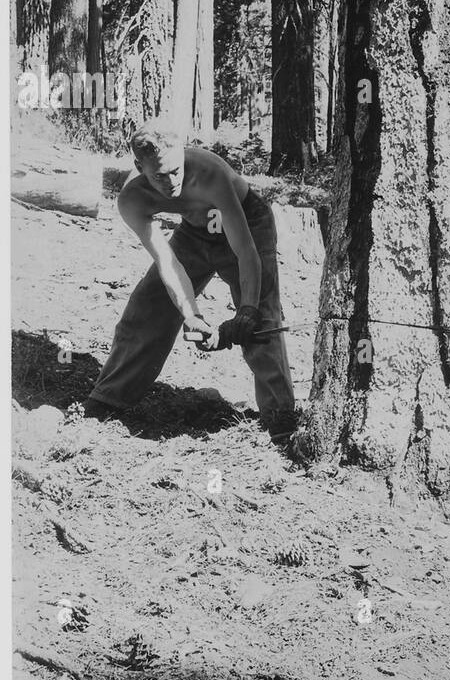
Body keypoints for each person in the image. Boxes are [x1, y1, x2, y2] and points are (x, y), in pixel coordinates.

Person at [85, 127, 296, 444]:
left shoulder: (209, 173)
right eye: (159, 177)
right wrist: (191, 315)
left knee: (262, 318)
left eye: (175, 171)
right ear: (140, 168)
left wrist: (247, 310)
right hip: (194, 233)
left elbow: (245, 252)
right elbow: (168, 263)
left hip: (247, 223)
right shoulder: (132, 199)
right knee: (150, 304)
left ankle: (280, 417)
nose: (170, 183)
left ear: (182, 153)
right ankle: (109, 397)